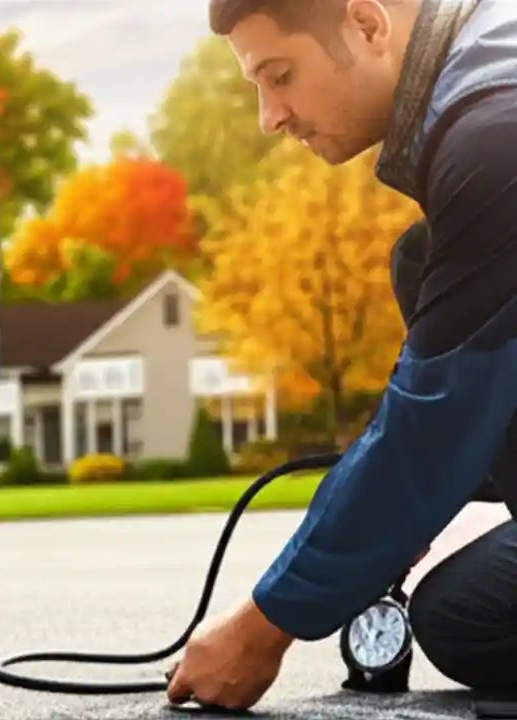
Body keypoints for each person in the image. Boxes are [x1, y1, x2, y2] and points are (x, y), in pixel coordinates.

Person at [166, 0, 517, 711]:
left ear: (366, 22)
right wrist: (394, 513)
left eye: (281, 75)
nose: (271, 117)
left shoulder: (495, 137)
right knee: (463, 611)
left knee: (471, 623)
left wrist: (264, 628)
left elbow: (432, 434)